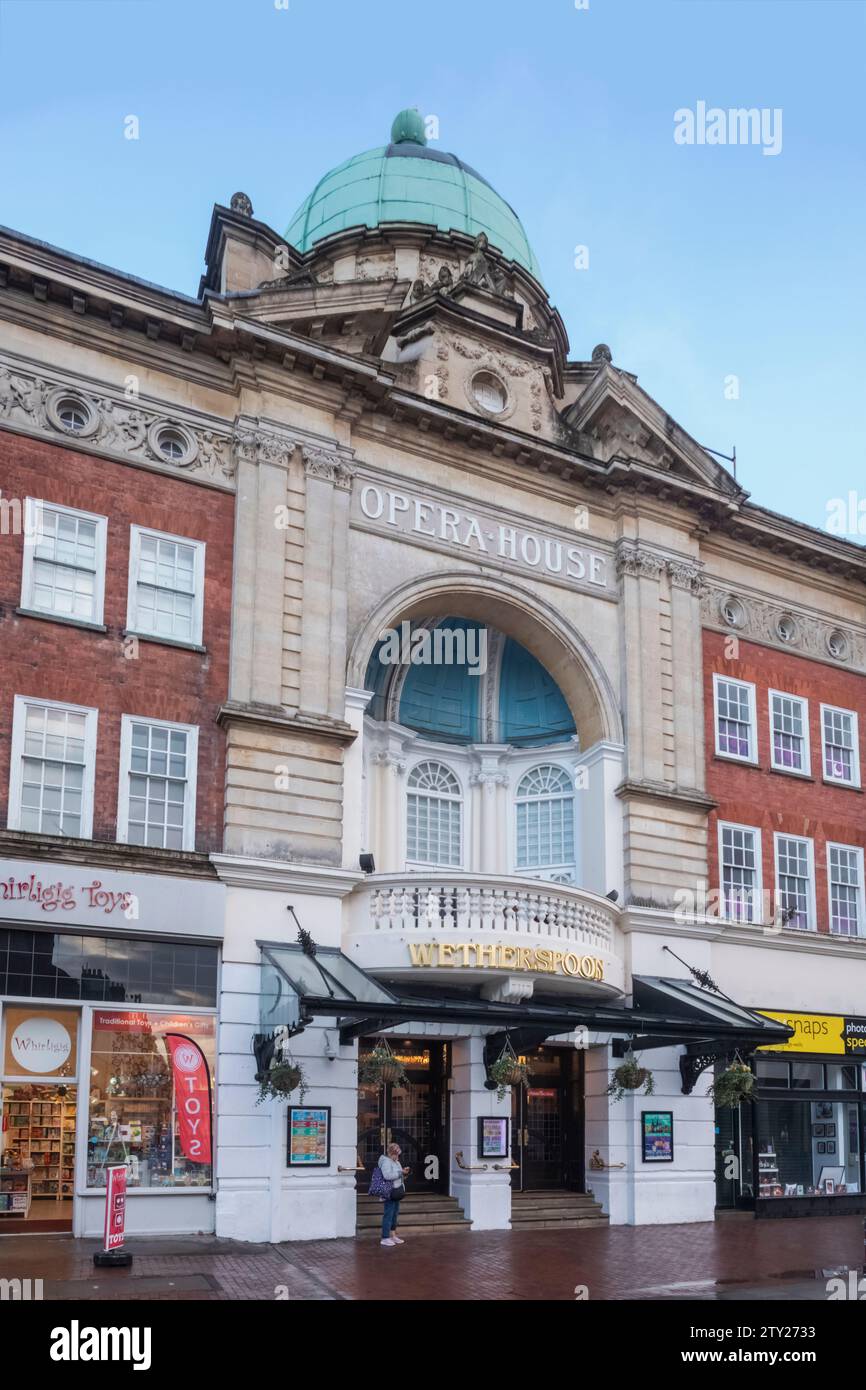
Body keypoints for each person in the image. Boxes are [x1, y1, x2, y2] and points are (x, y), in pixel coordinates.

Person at [378, 1142, 409, 1247]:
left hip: (396, 1191)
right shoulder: (386, 1162)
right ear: (391, 1153)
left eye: (398, 1154)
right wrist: (400, 1173)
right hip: (389, 1191)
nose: (398, 1156)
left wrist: (404, 1173)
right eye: (396, 1154)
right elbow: (387, 1176)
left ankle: (393, 1235)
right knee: (389, 1214)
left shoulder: (396, 1162)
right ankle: (385, 1237)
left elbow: (398, 1174)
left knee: (394, 1214)